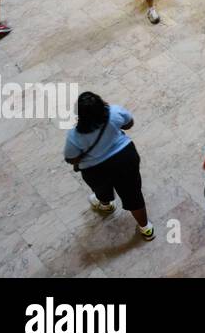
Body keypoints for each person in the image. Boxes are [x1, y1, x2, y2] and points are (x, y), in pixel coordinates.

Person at [64, 92, 153, 241]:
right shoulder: (115, 112)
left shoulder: (75, 136)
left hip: (96, 169)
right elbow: (129, 123)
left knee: (101, 189)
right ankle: (146, 228)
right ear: (102, 104)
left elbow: (71, 159)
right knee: (132, 192)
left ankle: (106, 205)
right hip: (125, 157)